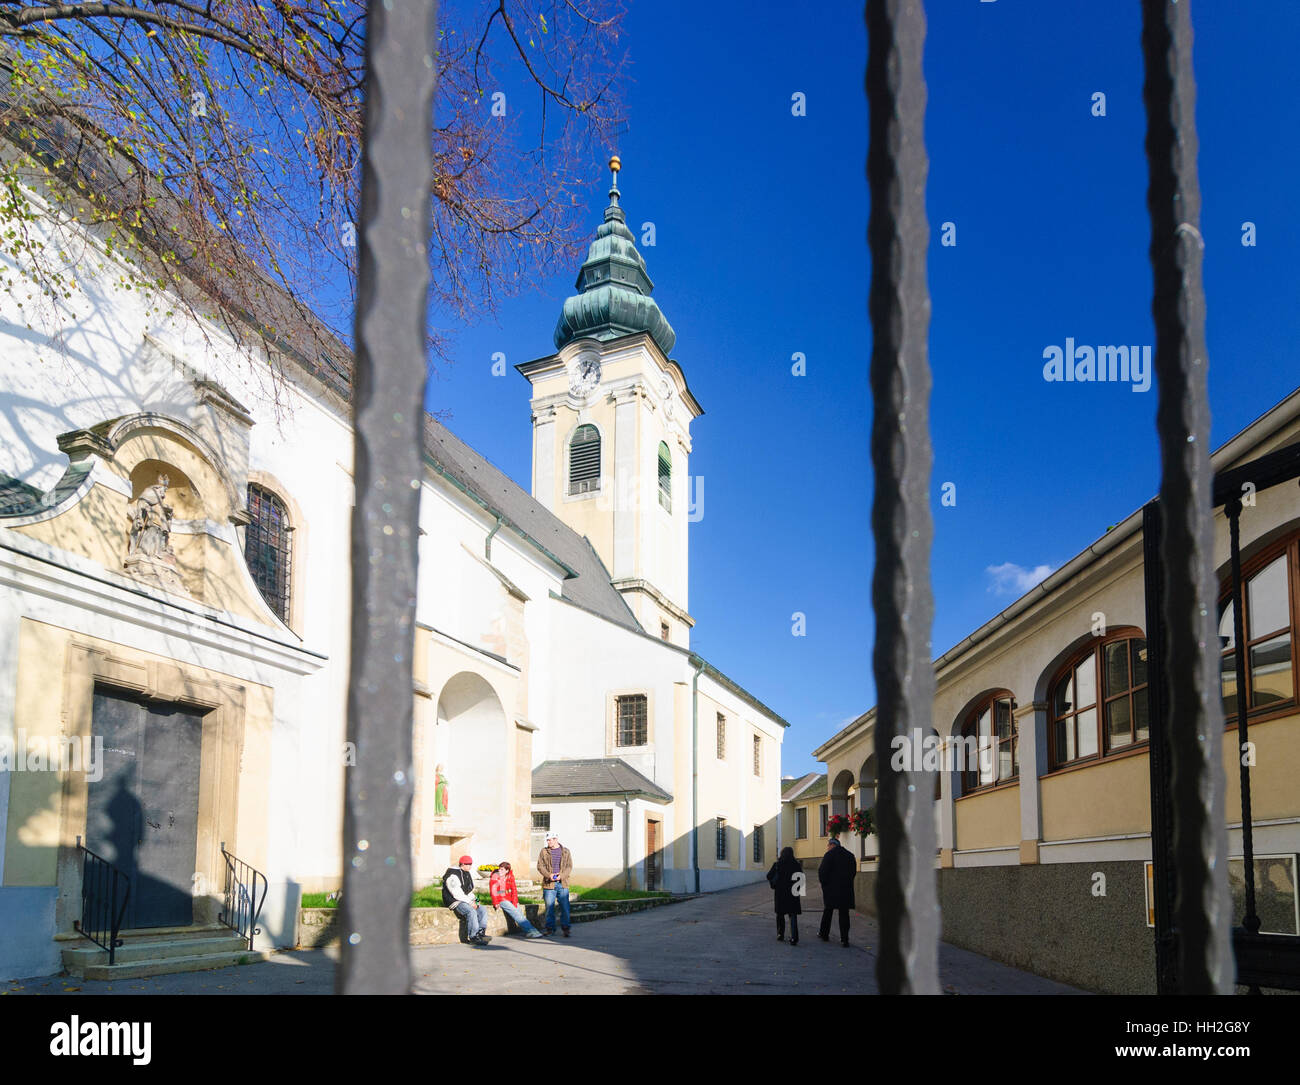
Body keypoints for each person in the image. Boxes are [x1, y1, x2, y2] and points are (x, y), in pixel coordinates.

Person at [442, 854, 492, 945]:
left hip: (463, 898)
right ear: (462, 864)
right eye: (468, 864)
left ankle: (480, 933)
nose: (470, 866)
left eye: (471, 864)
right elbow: (456, 893)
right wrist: (470, 902)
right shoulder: (452, 875)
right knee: (471, 911)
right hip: (454, 900)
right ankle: (473, 937)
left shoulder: (466, 873)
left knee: (482, 909)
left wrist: (476, 900)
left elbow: (468, 891)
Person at [817, 836, 857, 946]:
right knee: (844, 914)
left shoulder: (829, 855)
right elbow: (853, 872)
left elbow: (822, 872)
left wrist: (824, 885)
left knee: (828, 911)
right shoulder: (849, 855)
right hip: (846, 889)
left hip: (831, 889)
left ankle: (824, 934)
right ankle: (845, 939)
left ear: (831, 845)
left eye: (828, 845)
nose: (827, 848)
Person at [489, 861, 544, 939]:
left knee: (519, 912)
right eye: (499, 869)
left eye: (502, 870)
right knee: (516, 914)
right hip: (500, 898)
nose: (499, 871)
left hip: (509, 897)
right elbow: (493, 891)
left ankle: (530, 931)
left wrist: (515, 902)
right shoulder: (495, 876)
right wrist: (495, 902)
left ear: (507, 870)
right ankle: (531, 930)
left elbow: (514, 889)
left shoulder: (510, 876)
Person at [536, 830, 573, 937]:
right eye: (547, 840)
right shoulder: (544, 851)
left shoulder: (566, 851)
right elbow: (540, 866)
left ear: (555, 839)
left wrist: (562, 876)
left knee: (565, 907)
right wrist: (549, 875)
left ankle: (566, 928)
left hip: (563, 883)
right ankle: (550, 929)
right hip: (549, 884)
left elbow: (569, 866)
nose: (548, 842)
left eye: (550, 840)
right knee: (549, 908)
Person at [767, 846, 804, 945]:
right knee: (793, 915)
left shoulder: (777, 864)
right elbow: (801, 879)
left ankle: (780, 934)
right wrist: (798, 890)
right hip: (793, 893)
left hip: (781, 893)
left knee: (780, 914)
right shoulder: (796, 865)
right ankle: (794, 937)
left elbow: (769, 876)